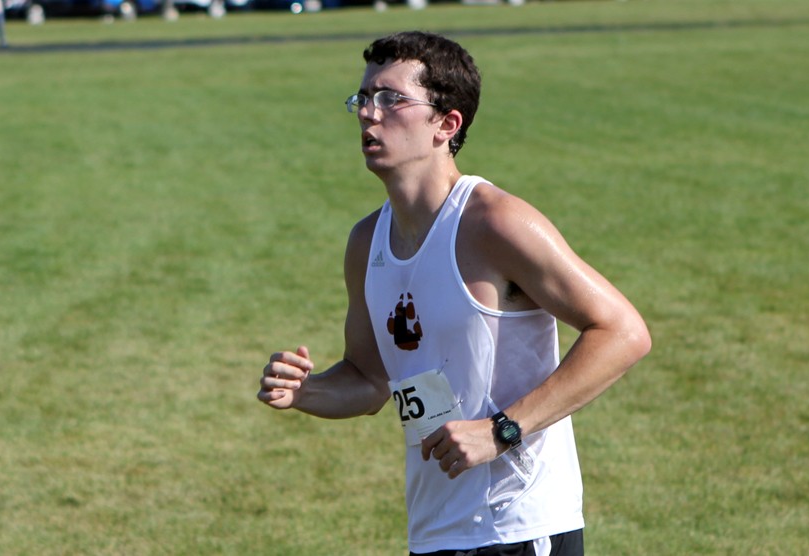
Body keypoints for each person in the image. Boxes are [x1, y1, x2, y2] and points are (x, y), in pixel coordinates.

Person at [258, 31, 651, 556]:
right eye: (364, 97)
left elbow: (623, 332)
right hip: (435, 530)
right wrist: (309, 392)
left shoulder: (496, 223)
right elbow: (371, 379)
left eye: (391, 99)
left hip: (518, 528)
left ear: (447, 124)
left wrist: (502, 431)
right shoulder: (365, 243)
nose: (368, 114)